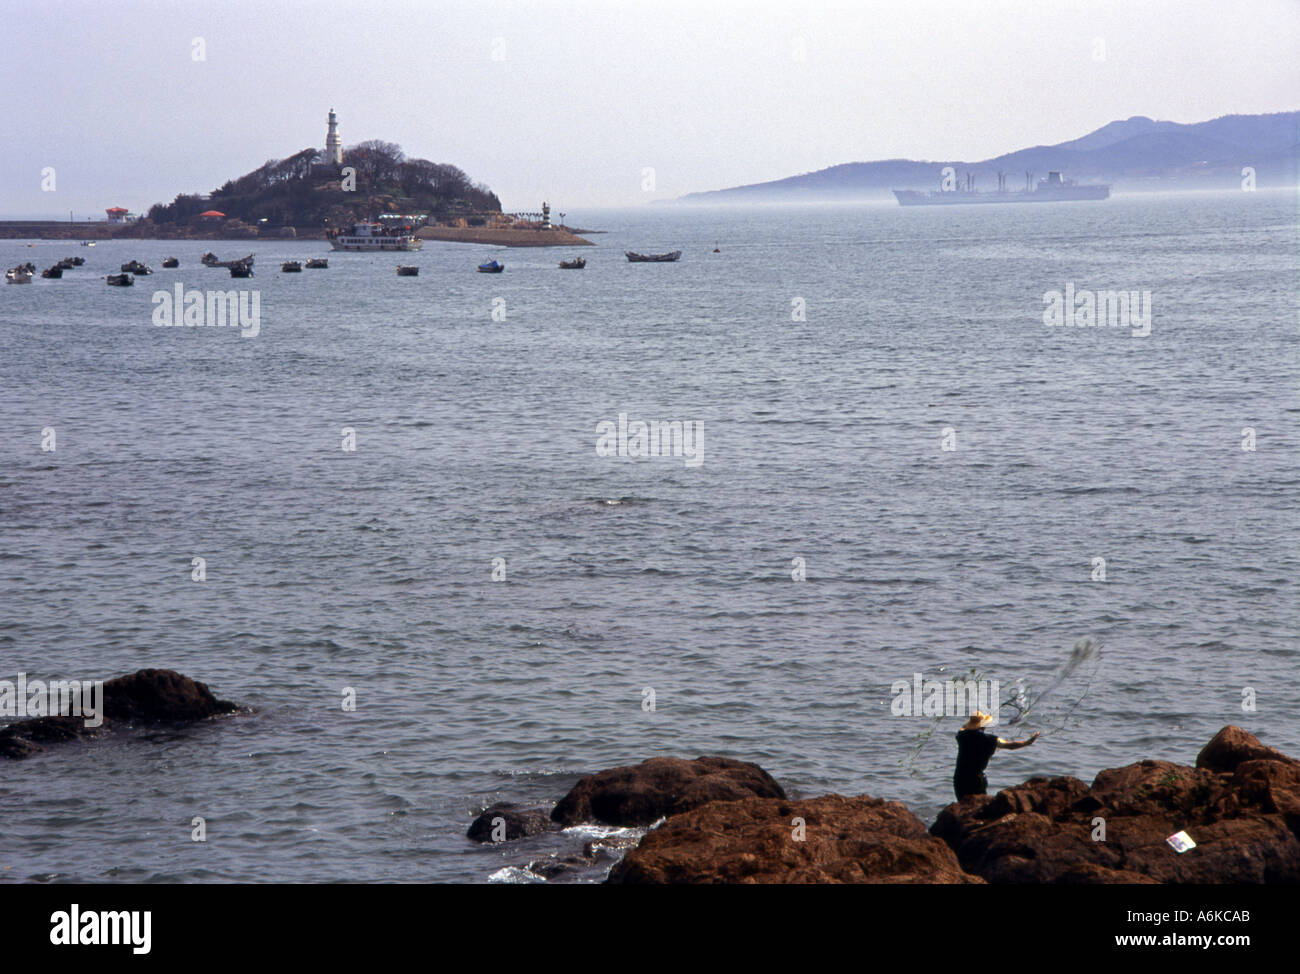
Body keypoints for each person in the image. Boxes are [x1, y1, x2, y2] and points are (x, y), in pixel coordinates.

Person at [953, 710, 1039, 800]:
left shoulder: (961, 736)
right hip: (975, 780)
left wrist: (972, 725)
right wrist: (1027, 742)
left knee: (962, 804)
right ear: (983, 726)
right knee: (978, 804)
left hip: (959, 779)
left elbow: (964, 728)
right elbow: (1010, 745)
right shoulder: (989, 740)